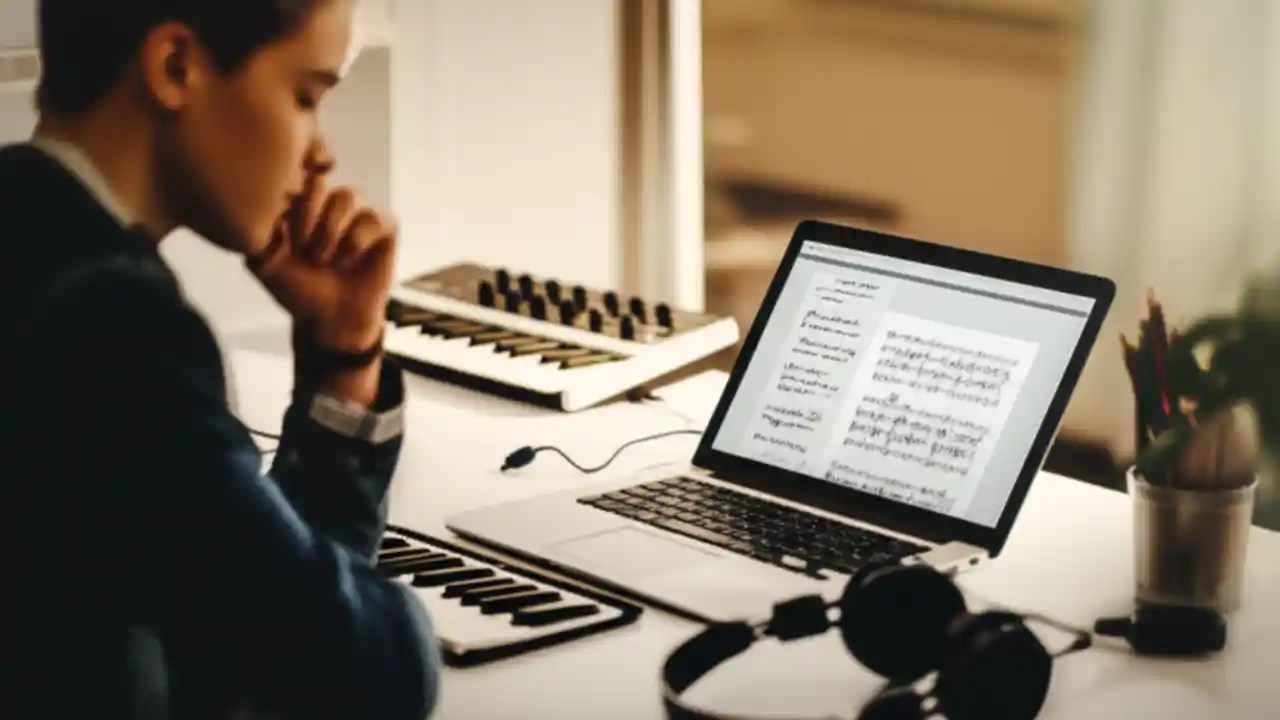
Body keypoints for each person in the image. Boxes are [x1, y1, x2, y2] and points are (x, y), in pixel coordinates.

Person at [0, 0, 441, 717]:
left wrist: (343, 352)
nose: (322, 153)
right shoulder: (108, 326)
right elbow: (362, 670)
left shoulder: (27, 240)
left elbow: (248, 639)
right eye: (306, 95)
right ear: (175, 68)